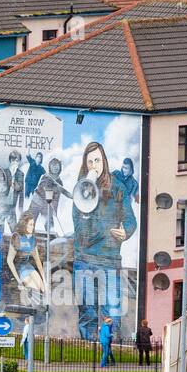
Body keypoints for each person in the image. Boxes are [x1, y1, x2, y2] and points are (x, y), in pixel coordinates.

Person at [71, 142, 137, 342]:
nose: (94, 166)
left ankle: (110, 350)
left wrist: (126, 232)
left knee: (112, 312)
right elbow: (81, 231)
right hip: (84, 260)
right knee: (87, 311)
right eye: (89, 161)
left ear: (104, 162)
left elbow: (130, 219)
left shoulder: (118, 187)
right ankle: (87, 351)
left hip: (110, 260)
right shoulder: (81, 189)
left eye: (97, 160)